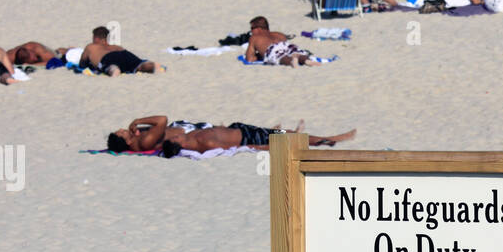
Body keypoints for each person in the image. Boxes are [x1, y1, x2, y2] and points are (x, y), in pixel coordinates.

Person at [106, 116, 356, 154]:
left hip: (241, 133)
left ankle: (319, 139)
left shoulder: (142, 139)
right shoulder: (145, 138)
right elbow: (161, 119)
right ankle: (324, 139)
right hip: (247, 136)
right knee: (281, 134)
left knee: (281, 133)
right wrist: (139, 121)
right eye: (121, 132)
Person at [80, 27, 164, 75]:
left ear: (96, 38)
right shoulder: (116, 46)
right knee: (139, 65)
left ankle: (114, 70)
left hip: (108, 58)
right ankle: (152, 65)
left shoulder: (91, 47)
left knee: (111, 66)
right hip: (124, 53)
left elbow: (82, 62)